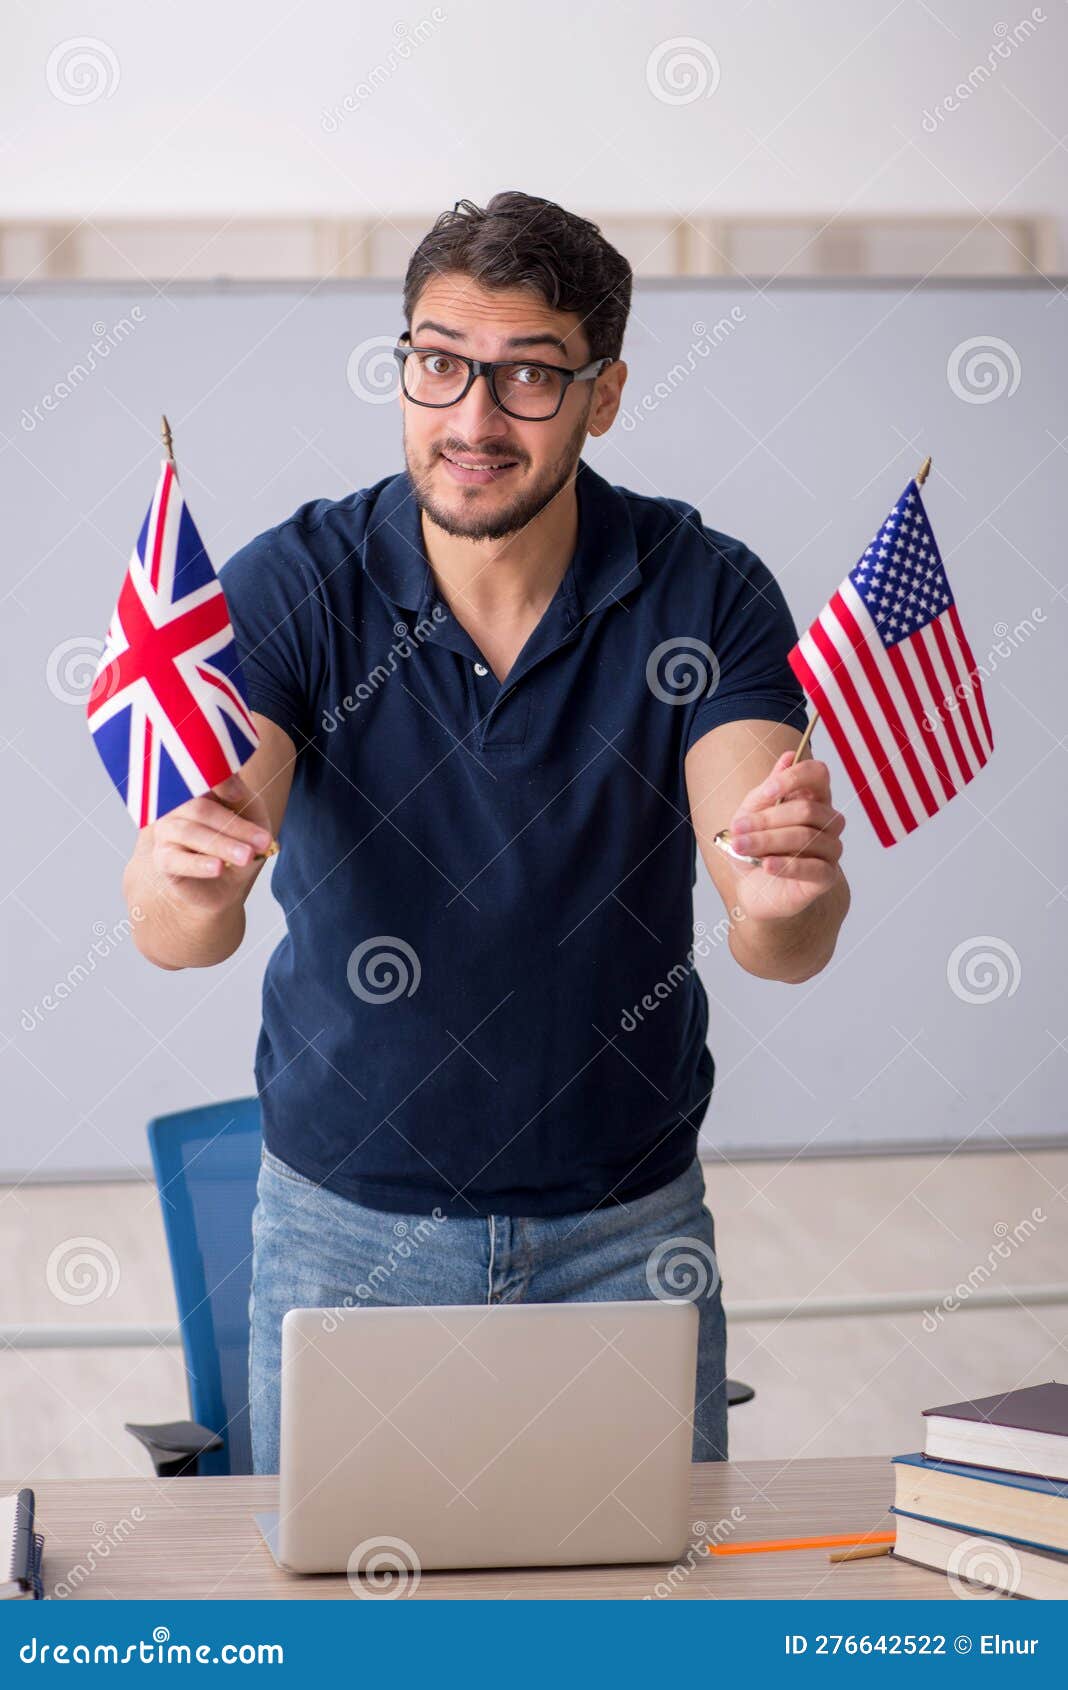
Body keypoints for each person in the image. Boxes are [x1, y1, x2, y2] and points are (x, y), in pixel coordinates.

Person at [122, 191, 850, 1474]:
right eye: (440, 364)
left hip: (627, 1228)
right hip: (344, 1229)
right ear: (404, 363)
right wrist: (189, 874)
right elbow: (182, 929)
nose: (471, 418)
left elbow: (777, 932)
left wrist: (788, 894)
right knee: (349, 1644)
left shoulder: (704, 586)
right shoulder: (294, 588)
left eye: (526, 377)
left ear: (603, 395)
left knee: (634, 1642)